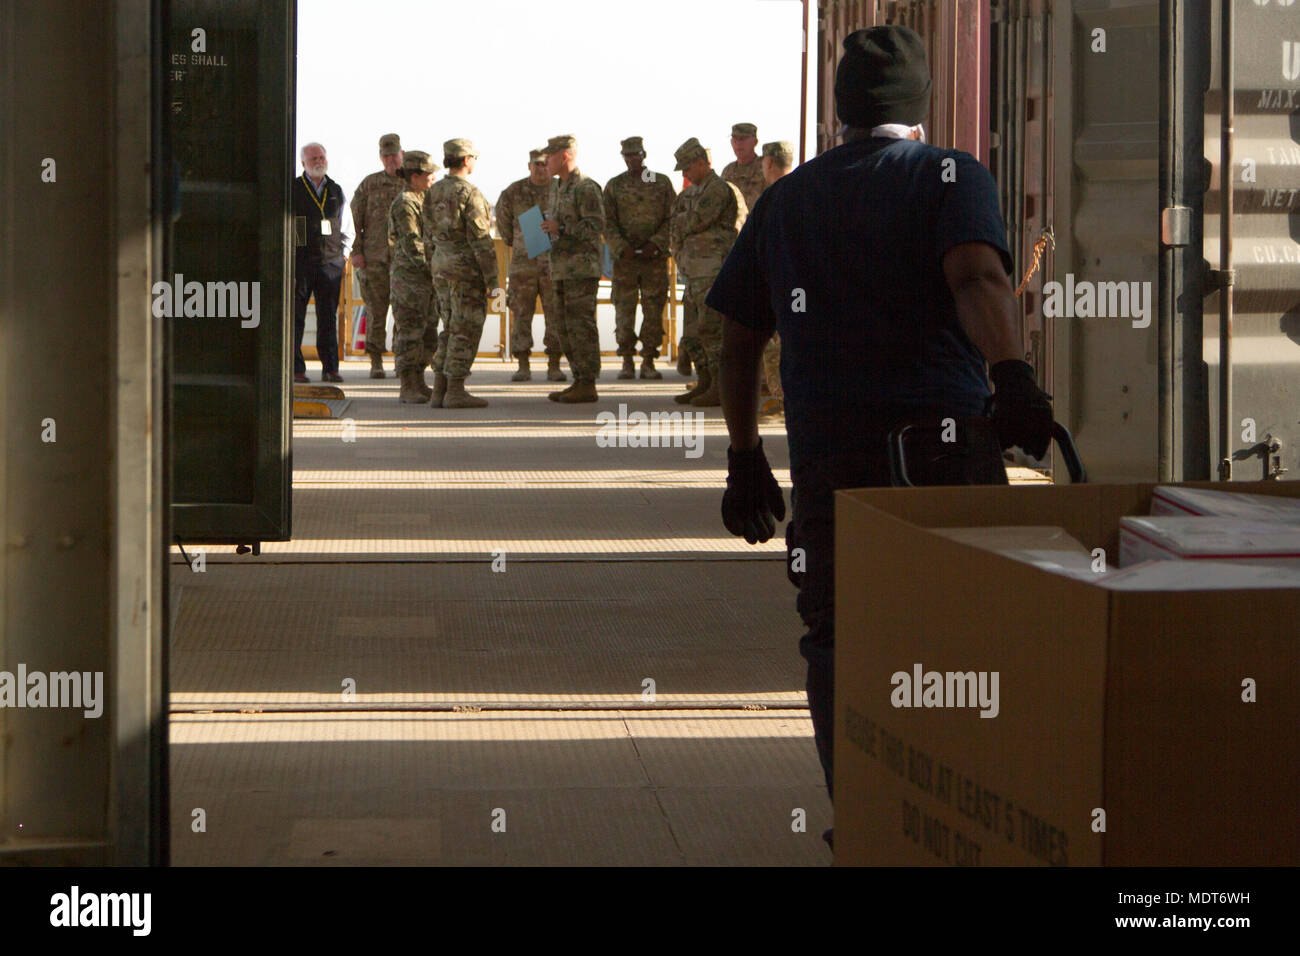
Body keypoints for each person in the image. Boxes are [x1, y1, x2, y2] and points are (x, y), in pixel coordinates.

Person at [707, 25, 1055, 848]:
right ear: (919, 104)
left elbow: (735, 340)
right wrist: (1012, 375)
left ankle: (859, 822)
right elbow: (977, 274)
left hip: (833, 465)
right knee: (966, 635)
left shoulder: (787, 199)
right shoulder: (949, 174)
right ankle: (954, 816)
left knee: (836, 637)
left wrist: (745, 456)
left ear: (840, 109)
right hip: (944, 455)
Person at [668, 137, 746, 407]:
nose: (685, 174)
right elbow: (674, 225)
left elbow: (695, 220)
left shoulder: (719, 189)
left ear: (701, 162)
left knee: (711, 329)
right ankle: (704, 381)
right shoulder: (690, 193)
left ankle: (720, 387)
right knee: (693, 333)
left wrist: (680, 224)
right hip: (691, 271)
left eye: (688, 168)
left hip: (712, 270)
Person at [424, 138, 498, 409]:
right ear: (466, 160)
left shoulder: (433, 192)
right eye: (473, 158)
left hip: (441, 267)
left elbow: (427, 234)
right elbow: (481, 241)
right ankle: (455, 389)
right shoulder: (470, 194)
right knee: (466, 328)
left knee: (449, 327)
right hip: (465, 271)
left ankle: (439, 389)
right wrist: (493, 280)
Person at [603, 136, 676, 380]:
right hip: (625, 261)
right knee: (624, 311)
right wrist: (619, 246)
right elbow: (607, 222)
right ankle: (626, 360)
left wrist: (656, 243)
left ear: (644, 155)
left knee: (653, 310)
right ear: (623, 157)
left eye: (636, 155)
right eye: (628, 155)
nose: (632, 159)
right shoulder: (614, 186)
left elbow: (672, 218)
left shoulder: (660, 182)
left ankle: (648, 360)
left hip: (653, 259)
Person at [540, 134, 605, 403]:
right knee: (563, 326)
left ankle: (588, 382)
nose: (546, 162)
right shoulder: (556, 188)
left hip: (581, 269)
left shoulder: (586, 187)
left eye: (550, 156)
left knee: (581, 326)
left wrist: (562, 228)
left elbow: (595, 227)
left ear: (564, 156)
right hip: (561, 268)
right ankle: (577, 378)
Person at [496, 148, 564, 382]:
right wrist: (517, 242)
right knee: (521, 314)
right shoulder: (515, 192)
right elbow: (503, 223)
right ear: (529, 166)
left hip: (554, 265)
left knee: (554, 314)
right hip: (523, 266)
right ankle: (523, 364)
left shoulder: (560, 189)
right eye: (536, 164)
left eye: (545, 164)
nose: (541, 168)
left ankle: (554, 364)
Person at [350, 133, 407, 378]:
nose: (390, 160)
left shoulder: (413, 182)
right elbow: (353, 220)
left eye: (394, 155)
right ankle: (376, 361)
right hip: (374, 258)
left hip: (406, 259)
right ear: (380, 157)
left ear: (401, 154)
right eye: (386, 156)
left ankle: (402, 359)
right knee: (375, 310)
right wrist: (355, 251)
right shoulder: (369, 184)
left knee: (405, 311)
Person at [292, 142, 350, 383]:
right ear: (303, 163)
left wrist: (344, 255)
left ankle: (331, 369)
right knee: (295, 317)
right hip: (300, 263)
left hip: (330, 264)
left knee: (328, 318)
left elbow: (348, 226)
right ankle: (296, 369)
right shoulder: (293, 188)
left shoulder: (336, 190)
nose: (319, 161)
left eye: (322, 157)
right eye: (313, 158)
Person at [386, 150, 439, 403]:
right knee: (409, 332)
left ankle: (418, 380)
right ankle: (407, 385)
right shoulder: (405, 202)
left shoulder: (423, 199)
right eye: (429, 174)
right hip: (410, 280)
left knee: (428, 331)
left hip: (426, 279)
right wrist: (433, 267)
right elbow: (411, 243)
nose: (432, 178)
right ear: (415, 176)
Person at [758, 140, 795, 414]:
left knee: (774, 344)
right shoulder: (807, 189)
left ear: (768, 163)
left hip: (780, 281)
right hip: (804, 285)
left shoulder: (772, 197)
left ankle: (782, 398)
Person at [721, 122, 766, 217]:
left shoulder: (765, 168)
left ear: (755, 142)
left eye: (743, 139)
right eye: (735, 139)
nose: (738, 144)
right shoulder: (728, 171)